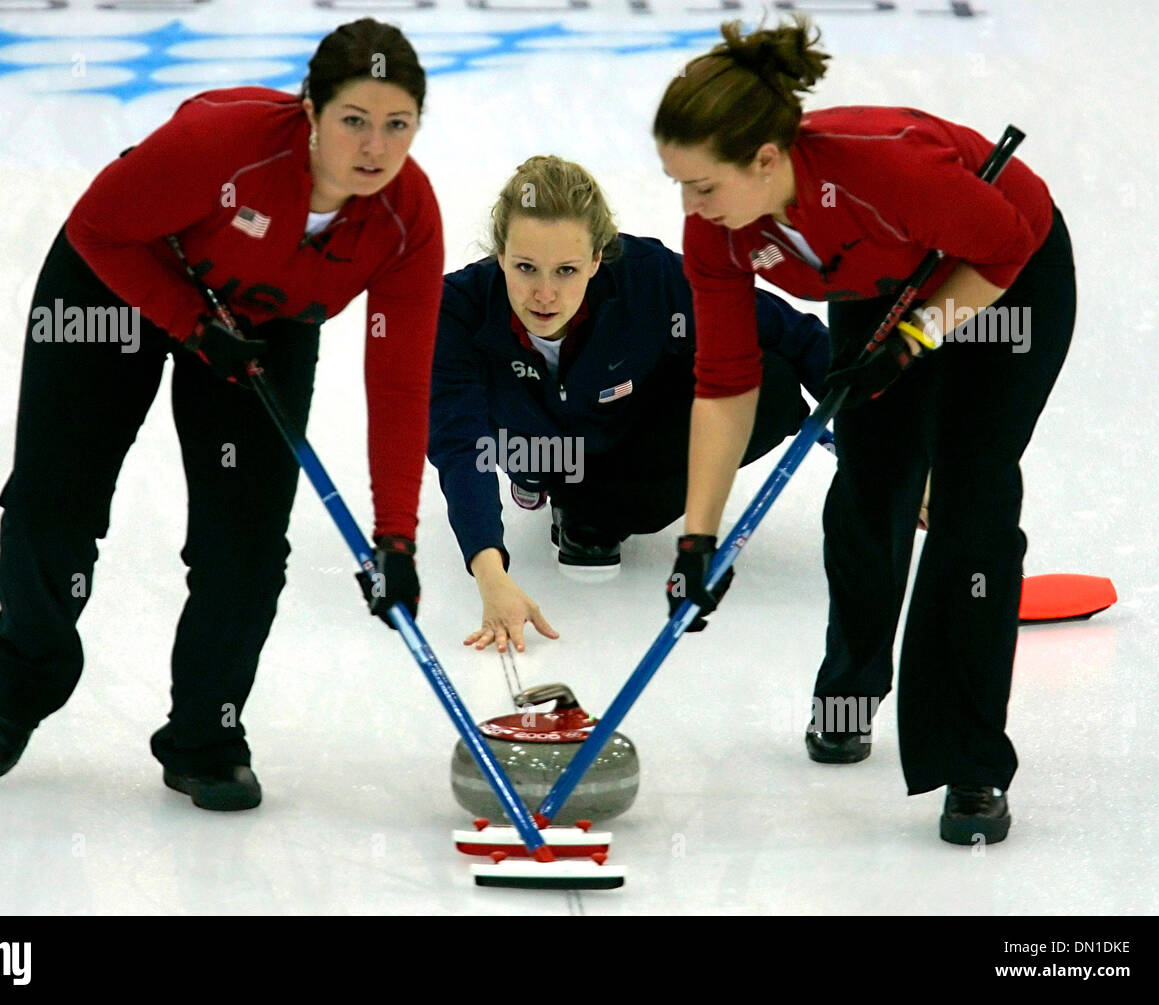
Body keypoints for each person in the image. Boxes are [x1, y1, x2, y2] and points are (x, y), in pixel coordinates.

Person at [0, 18, 444, 811]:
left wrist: (397, 537)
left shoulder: (406, 222)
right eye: (355, 120)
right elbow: (96, 227)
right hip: (117, 281)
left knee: (247, 548)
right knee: (57, 503)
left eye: (398, 125)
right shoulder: (227, 144)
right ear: (311, 111)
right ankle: (23, 679)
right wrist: (188, 322)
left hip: (263, 325)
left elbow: (399, 385)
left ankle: (206, 735)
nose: (374, 146)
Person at [653, 18, 1075, 844]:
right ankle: (850, 690)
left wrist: (919, 339)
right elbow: (725, 384)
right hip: (882, 277)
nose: (691, 208)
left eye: (703, 185)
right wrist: (699, 539)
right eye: (680, 186)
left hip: (1004, 279)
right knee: (870, 483)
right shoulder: (720, 235)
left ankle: (971, 760)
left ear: (766, 160)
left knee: (970, 507)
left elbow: (1001, 246)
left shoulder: (887, 169)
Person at [427, 155, 830, 653]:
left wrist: (877, 448)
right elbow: (458, 442)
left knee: (772, 383)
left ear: (598, 259)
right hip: (533, 444)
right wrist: (490, 573)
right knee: (523, 448)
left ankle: (594, 510)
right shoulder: (456, 309)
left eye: (568, 270)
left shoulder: (648, 277)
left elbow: (795, 334)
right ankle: (542, 479)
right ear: (500, 256)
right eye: (525, 267)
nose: (545, 294)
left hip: (628, 434)